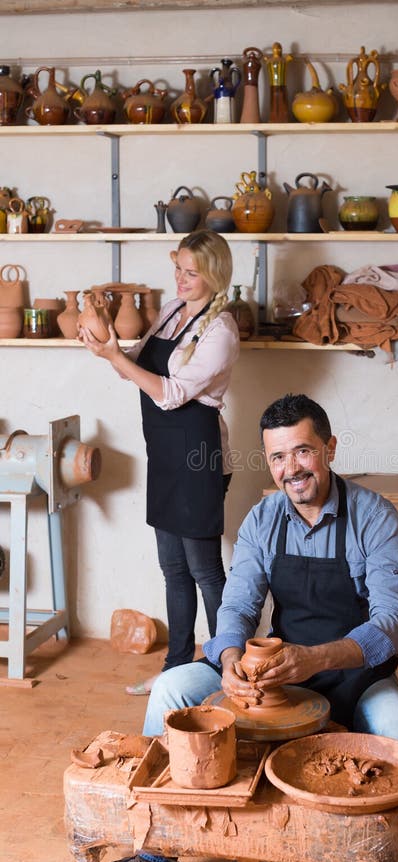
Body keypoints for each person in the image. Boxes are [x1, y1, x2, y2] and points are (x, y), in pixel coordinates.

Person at [98, 393, 398, 862]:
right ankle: (154, 860)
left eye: (302, 451)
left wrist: (313, 659)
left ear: (329, 448)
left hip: (352, 672)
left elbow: (391, 624)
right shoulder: (263, 518)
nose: (291, 469)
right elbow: (237, 610)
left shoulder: (375, 519)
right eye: (277, 457)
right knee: (172, 689)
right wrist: (228, 661)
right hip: (273, 675)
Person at [80, 230, 239, 696]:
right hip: (165, 456)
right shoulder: (171, 311)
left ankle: (223, 668)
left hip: (198, 454)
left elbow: (169, 393)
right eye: (179, 268)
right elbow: (137, 367)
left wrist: (115, 355)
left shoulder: (221, 329)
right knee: (172, 568)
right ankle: (175, 670)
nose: (182, 279)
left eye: (192, 272)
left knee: (205, 570)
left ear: (214, 275)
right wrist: (106, 344)